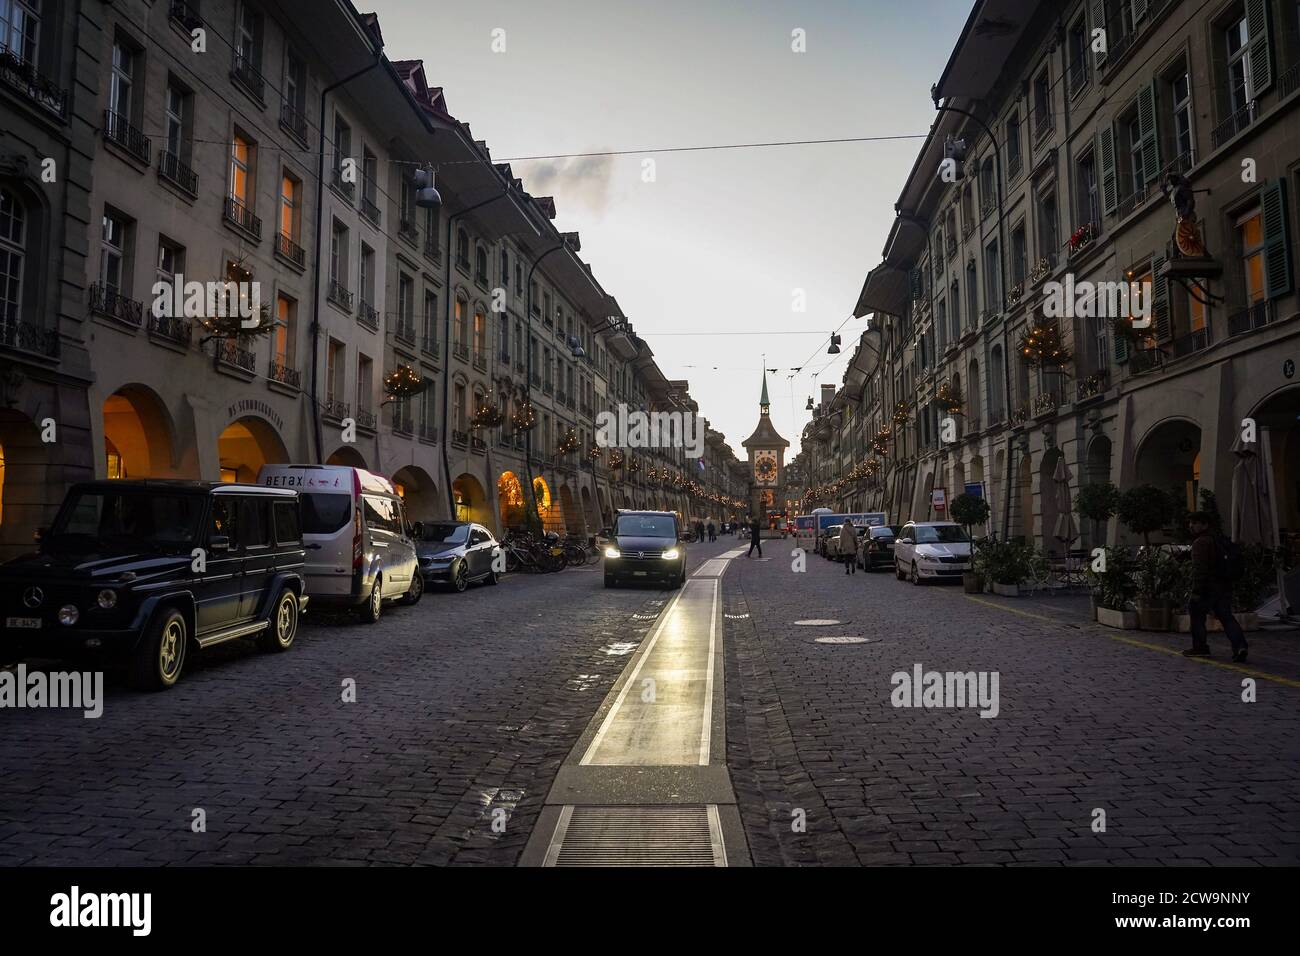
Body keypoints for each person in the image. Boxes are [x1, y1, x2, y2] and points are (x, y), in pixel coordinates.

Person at [1184, 511, 1248, 663]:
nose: (1191, 526)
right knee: (1226, 616)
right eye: (1190, 523)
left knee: (1197, 615)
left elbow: (1200, 569)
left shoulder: (1201, 542)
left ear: (1205, 525)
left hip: (1207, 587)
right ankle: (1240, 646)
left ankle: (1200, 647)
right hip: (1224, 584)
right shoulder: (1219, 539)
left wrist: (1196, 591)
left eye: (1195, 523)